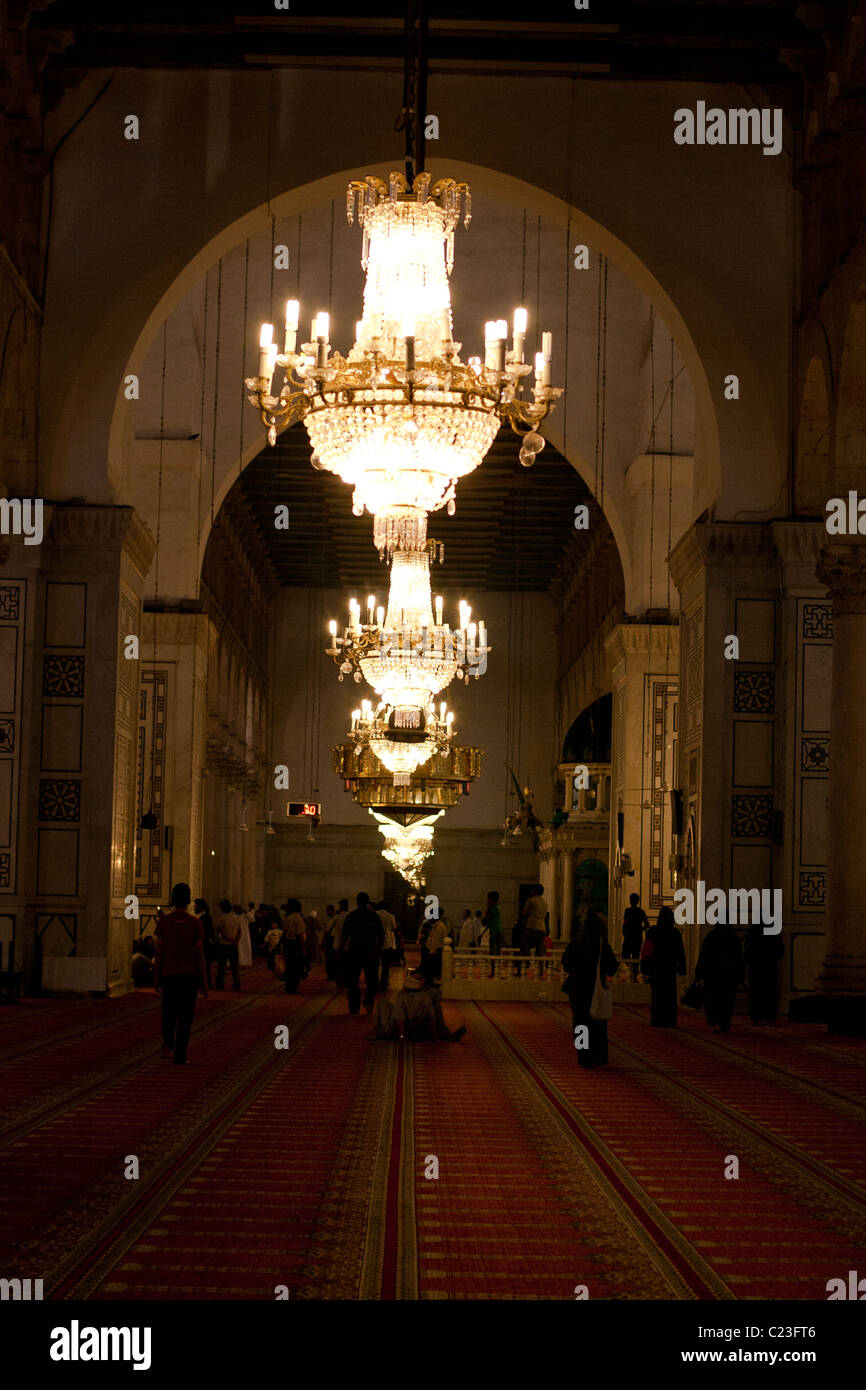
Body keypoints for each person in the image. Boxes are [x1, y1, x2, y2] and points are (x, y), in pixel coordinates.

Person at [154, 882, 208, 1065]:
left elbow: (159, 952)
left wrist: (156, 975)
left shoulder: (164, 922)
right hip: (189, 976)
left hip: (170, 974)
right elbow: (200, 954)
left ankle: (168, 1045)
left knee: (168, 1013)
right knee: (186, 1016)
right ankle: (180, 1053)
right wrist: (205, 982)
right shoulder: (195, 923)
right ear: (188, 900)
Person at [561, 906, 617, 1068]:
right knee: (597, 1023)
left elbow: (567, 964)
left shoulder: (576, 941)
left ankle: (583, 1055)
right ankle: (597, 1055)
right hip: (595, 987)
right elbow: (612, 966)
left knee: (580, 1023)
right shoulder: (601, 943)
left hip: (578, 989)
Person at [371, 968, 466, 1042]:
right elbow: (431, 1016)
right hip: (410, 1029)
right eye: (415, 979)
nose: (418, 981)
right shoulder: (423, 995)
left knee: (382, 1003)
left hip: (399, 1030)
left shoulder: (426, 995)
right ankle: (375, 1032)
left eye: (419, 979)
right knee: (386, 1004)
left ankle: (375, 1032)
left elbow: (401, 1019)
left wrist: (401, 1036)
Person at [696, 922, 745, 1033]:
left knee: (713, 1000)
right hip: (729, 975)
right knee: (726, 1001)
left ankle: (715, 1022)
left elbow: (704, 956)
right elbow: (739, 959)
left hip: (713, 975)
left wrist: (699, 974)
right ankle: (723, 1023)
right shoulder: (734, 938)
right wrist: (740, 976)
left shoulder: (712, 936)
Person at [641, 905, 686, 1026]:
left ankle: (657, 1019)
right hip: (669, 969)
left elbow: (646, 952)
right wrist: (682, 969)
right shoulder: (675, 933)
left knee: (657, 995)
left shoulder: (653, 932)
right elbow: (680, 952)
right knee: (670, 995)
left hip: (656, 968)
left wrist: (645, 970)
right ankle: (670, 1020)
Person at [341, 892, 384, 1014]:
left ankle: (354, 1008)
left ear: (357, 902)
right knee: (372, 981)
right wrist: (378, 950)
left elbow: (344, 935)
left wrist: (341, 951)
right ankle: (369, 1002)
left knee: (353, 981)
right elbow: (381, 935)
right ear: (368, 902)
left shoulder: (352, 916)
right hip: (371, 952)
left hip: (354, 952)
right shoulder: (374, 916)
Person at [744, 924, 784, 1024]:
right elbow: (780, 950)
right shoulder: (773, 930)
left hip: (755, 967)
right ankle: (768, 1016)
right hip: (769, 967)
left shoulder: (753, 930)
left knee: (756, 992)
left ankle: (756, 1016)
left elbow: (747, 948)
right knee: (768, 992)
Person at [215, 899, 242, 991]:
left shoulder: (222, 918)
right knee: (234, 966)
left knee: (222, 965)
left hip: (224, 944)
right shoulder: (236, 917)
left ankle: (220, 984)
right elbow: (240, 931)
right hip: (233, 944)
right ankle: (236, 983)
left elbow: (221, 931)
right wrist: (236, 940)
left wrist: (228, 939)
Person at [621, 892, 649, 980]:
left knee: (626, 956)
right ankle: (634, 974)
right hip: (637, 937)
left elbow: (625, 924)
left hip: (629, 937)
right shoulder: (641, 912)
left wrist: (625, 932)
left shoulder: (628, 911)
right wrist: (639, 930)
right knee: (636, 956)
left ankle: (628, 974)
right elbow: (647, 924)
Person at [281, 899, 307, 993]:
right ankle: (293, 986)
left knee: (289, 965)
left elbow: (283, 932)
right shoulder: (297, 918)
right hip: (295, 944)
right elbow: (299, 934)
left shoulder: (287, 918)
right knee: (295, 966)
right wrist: (303, 948)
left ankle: (289, 986)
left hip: (288, 943)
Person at [521, 884, 549, 957]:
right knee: (539, 950)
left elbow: (524, 912)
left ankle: (525, 964)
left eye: (532, 890)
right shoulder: (544, 902)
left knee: (525, 947)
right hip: (542, 928)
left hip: (532, 927)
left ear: (535, 891)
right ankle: (539, 966)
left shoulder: (531, 900)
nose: (531, 891)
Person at [194, 898, 216, 987]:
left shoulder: (203, 918)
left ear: (199, 907)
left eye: (195, 906)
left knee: (203, 964)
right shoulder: (205, 917)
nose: (194, 907)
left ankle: (204, 983)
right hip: (205, 943)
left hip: (203, 943)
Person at [377, 900, 398, 991]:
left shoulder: (375, 914)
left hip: (376, 943)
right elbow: (394, 927)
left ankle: (374, 982)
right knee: (386, 966)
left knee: (376, 965)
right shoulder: (390, 916)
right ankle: (383, 983)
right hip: (388, 942)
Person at [422, 912, 448, 985]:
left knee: (433, 970)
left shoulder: (439, 926)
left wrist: (431, 952)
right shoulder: (436, 925)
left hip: (436, 951)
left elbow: (435, 941)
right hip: (435, 950)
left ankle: (432, 984)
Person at [331, 897, 350, 988]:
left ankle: (339, 981)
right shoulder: (350, 916)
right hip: (348, 945)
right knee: (347, 965)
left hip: (337, 944)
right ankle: (346, 981)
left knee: (338, 965)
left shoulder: (337, 917)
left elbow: (328, 928)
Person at [482, 890, 502, 967]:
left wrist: (488, 907)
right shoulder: (497, 908)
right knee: (496, 951)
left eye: (488, 899)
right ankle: (496, 969)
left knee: (494, 952)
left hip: (494, 932)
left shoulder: (493, 909)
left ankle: (495, 969)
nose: (487, 900)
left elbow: (485, 919)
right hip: (497, 931)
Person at [235, 901, 253, 969]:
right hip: (236, 934)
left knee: (245, 948)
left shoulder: (246, 915)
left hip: (245, 934)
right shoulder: (234, 916)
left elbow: (252, 920)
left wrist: (247, 912)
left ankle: (245, 962)